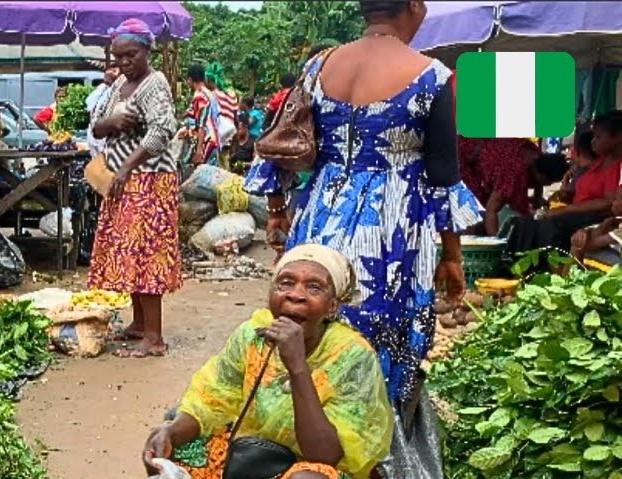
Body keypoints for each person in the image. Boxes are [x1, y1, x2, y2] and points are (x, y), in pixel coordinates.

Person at [245, 0, 481, 411]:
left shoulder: (319, 66)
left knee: (312, 319)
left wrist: (279, 210)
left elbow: (281, 144)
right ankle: (369, 439)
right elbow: (443, 174)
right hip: (393, 228)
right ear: (411, 6)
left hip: (319, 215)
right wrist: (453, 257)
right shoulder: (433, 77)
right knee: (378, 334)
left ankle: (302, 422)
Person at [142, 246, 393, 479]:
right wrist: (170, 432)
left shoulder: (352, 357)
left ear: (333, 306)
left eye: (314, 288)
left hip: (313, 473)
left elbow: (325, 455)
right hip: (255, 457)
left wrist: (297, 366)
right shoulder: (252, 335)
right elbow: (211, 399)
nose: (296, 295)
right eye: (285, 283)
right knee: (163, 452)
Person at [87, 18, 182, 358]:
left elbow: (161, 131)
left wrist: (128, 167)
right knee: (128, 252)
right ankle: (139, 323)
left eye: (131, 55)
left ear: (147, 51)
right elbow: (95, 126)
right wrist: (109, 123)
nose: (124, 63)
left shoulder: (154, 84)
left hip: (149, 181)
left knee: (146, 254)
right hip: (122, 181)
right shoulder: (117, 87)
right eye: (118, 58)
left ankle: (154, 338)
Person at [504, 112, 622, 258]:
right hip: (575, 211)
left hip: (594, 215)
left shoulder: (617, 166)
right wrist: (567, 194)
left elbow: (608, 202)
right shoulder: (599, 161)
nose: (593, 142)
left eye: (598, 137)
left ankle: (542, 273)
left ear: (616, 138)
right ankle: (512, 266)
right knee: (525, 223)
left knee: (551, 226)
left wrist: (566, 210)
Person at [457, 137, 568, 236]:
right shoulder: (514, 173)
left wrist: (537, 198)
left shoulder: (535, 154)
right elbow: (492, 209)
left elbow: (537, 184)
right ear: (542, 175)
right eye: (548, 182)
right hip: (463, 156)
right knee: (474, 207)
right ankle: (473, 242)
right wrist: (496, 242)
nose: (548, 185)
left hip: (481, 146)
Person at [181, 64, 220, 166]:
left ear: (190, 79)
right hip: (214, 139)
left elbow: (202, 124)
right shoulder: (210, 94)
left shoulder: (200, 96)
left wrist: (199, 150)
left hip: (206, 142)